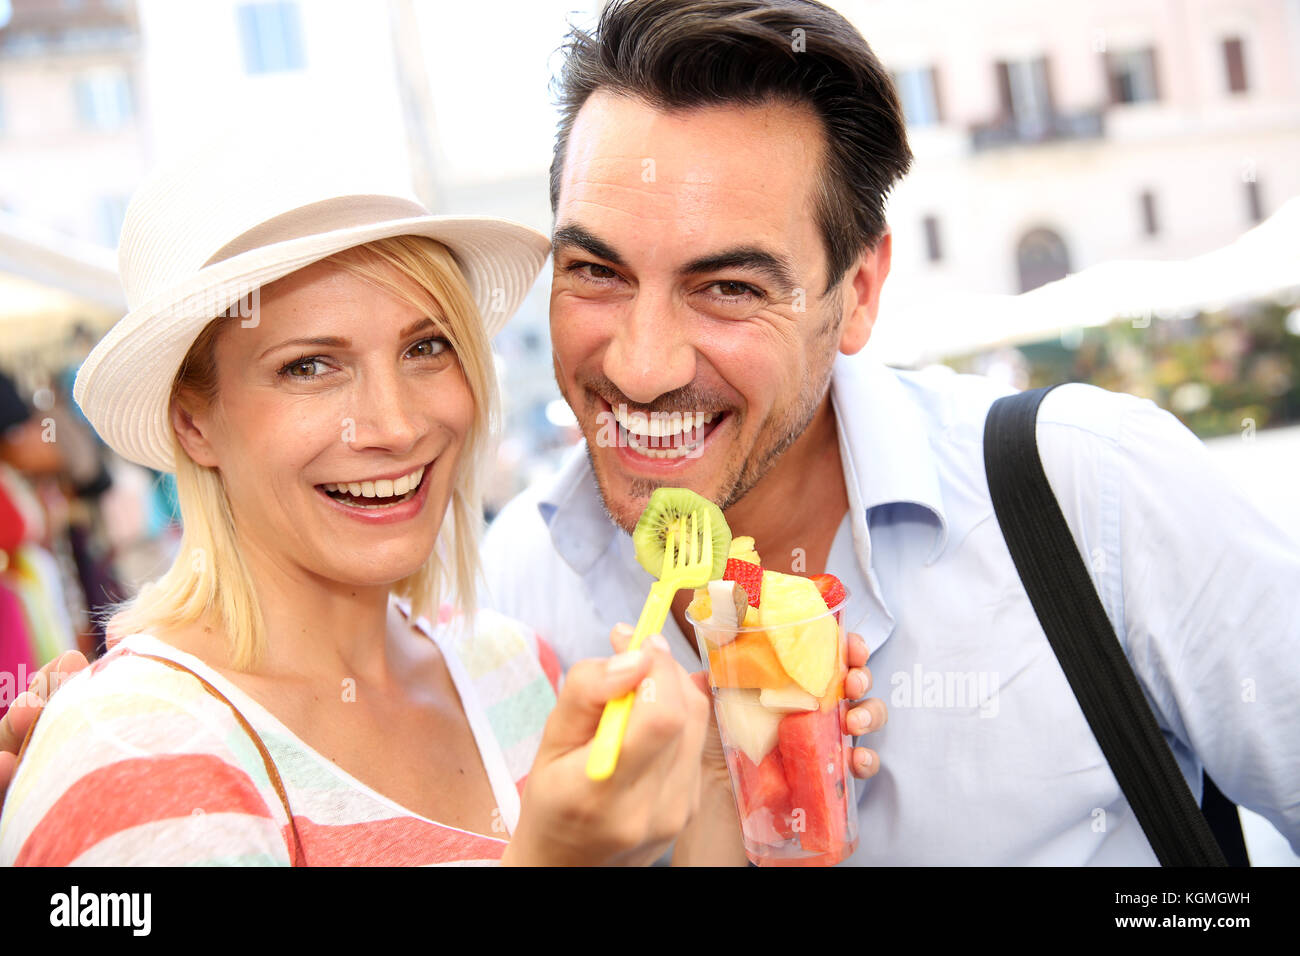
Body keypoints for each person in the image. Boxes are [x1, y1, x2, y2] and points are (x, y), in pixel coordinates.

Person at [475, 0, 1300, 864]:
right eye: (595, 271)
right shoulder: (510, 597)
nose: (642, 368)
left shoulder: (1100, 493)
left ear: (860, 292)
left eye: (728, 287)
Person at [0, 126, 814, 867]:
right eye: (309, 366)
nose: (393, 425)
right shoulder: (132, 760)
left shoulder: (513, 669)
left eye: (427, 347)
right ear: (194, 422)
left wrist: (716, 775)